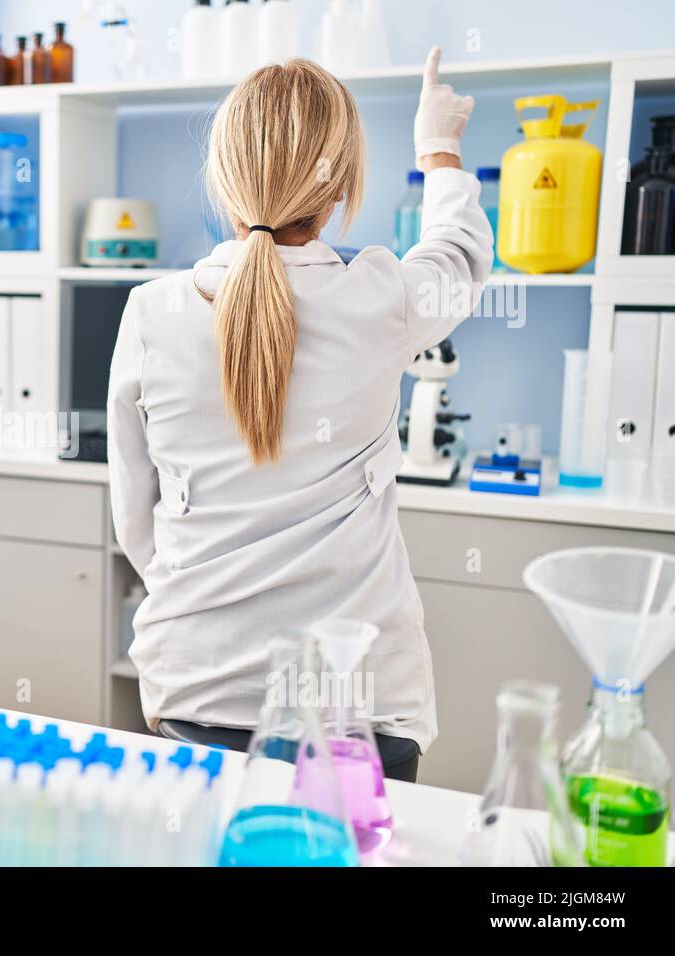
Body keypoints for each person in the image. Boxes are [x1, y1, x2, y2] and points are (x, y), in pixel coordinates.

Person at [106, 48, 491, 782]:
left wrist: (204, 597)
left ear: (223, 178)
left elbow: (136, 517)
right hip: (361, 703)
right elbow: (460, 256)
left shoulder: (150, 313)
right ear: (343, 184)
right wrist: (439, 148)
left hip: (200, 684)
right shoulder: (381, 297)